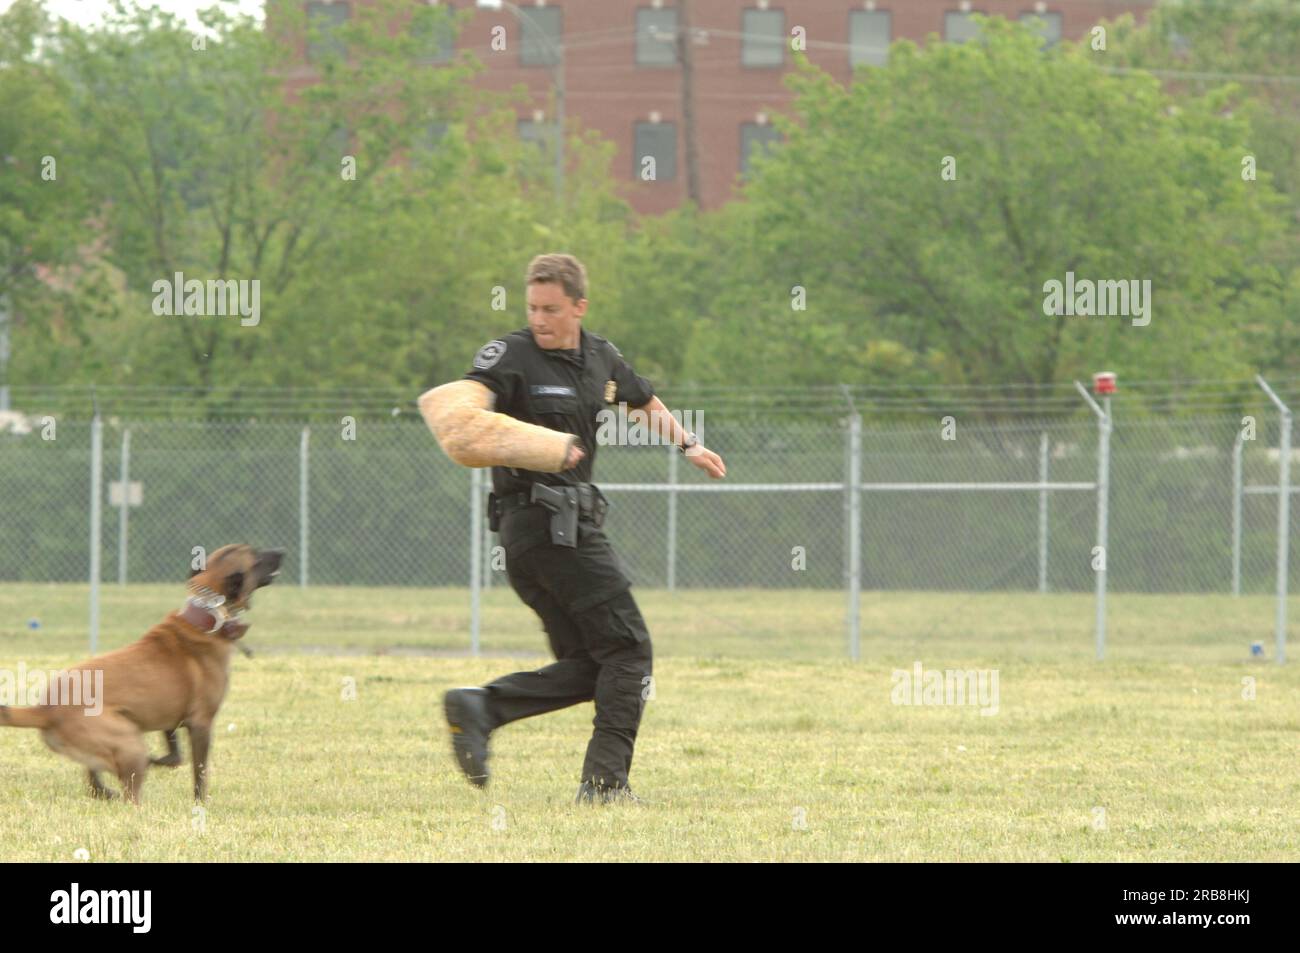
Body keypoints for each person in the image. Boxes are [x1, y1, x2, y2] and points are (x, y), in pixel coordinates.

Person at [418, 253, 726, 803]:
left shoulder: (600, 357)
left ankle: (482, 706)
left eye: (552, 309)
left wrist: (689, 444)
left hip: (557, 531)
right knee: (630, 651)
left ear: (579, 306)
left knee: (594, 666)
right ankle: (605, 786)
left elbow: (641, 399)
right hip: (545, 526)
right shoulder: (510, 356)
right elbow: (470, 406)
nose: (540, 319)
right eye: (533, 307)